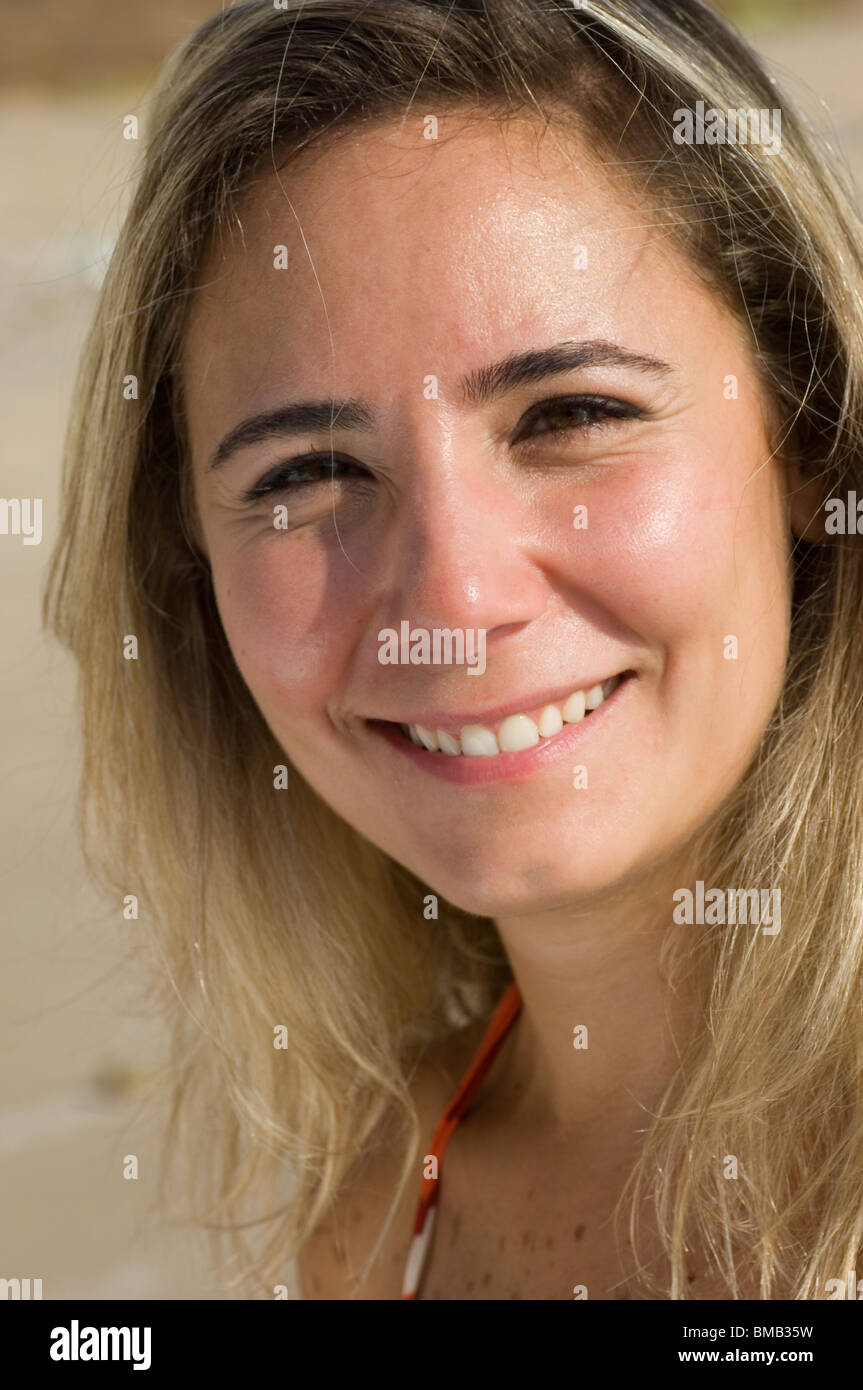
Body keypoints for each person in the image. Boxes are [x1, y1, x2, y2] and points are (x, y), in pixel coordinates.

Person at [45, 0, 863, 1300]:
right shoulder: (374, 1222)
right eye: (310, 469)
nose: (452, 594)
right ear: (188, 566)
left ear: (811, 432)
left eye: (572, 413)